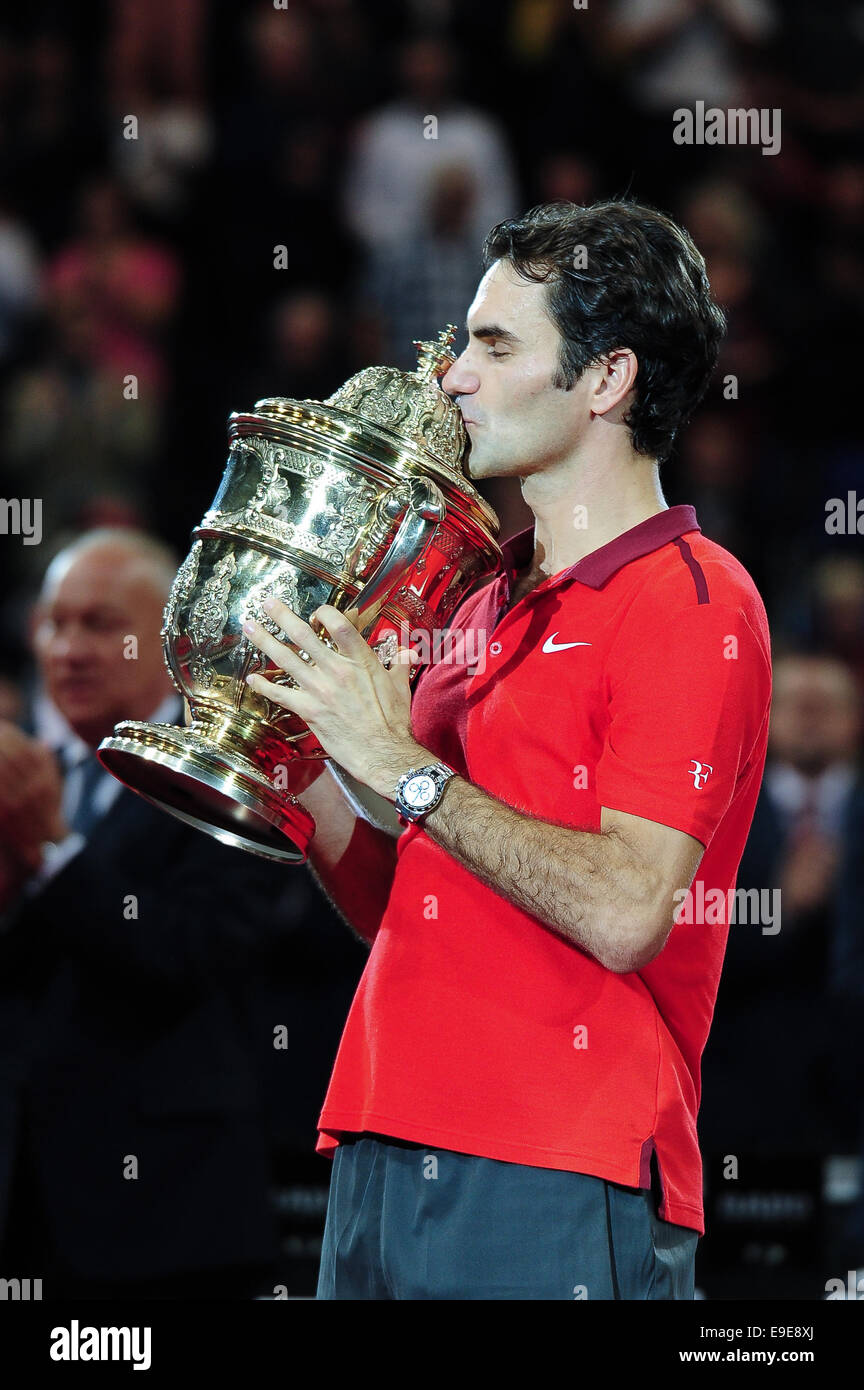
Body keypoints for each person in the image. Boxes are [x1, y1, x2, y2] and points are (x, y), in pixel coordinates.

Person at [242, 199, 773, 1300]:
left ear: (606, 379)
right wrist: (308, 764)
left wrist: (399, 766)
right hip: (378, 1133)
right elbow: (414, 897)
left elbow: (627, 911)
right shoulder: (473, 594)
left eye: (494, 346)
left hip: (557, 1155)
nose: (451, 379)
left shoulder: (698, 600)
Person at [0, 528, 361, 1298]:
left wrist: (53, 849)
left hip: (166, 1217)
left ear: (167, 632)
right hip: (25, 1207)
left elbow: (191, 953)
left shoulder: (232, 772)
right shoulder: (24, 772)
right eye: (55, 623)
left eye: (101, 625)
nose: (69, 648)